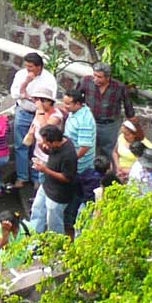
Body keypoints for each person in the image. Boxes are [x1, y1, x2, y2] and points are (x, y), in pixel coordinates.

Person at [8, 54, 56, 188]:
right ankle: (22, 176)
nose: (27, 69)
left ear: (39, 67)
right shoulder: (21, 75)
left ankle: (36, 177)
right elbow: (14, 93)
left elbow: (49, 100)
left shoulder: (49, 79)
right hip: (23, 112)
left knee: (38, 146)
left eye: (30, 66)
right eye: (26, 66)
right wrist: (26, 83)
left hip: (40, 115)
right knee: (21, 145)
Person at [80, 63, 134, 166]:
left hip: (110, 125)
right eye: (94, 75)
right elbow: (76, 97)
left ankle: (107, 176)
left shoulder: (119, 87)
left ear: (108, 77)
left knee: (109, 152)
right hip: (90, 122)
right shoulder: (86, 81)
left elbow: (128, 105)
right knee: (88, 149)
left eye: (99, 77)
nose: (95, 79)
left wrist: (131, 119)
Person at [60, 89, 98, 224]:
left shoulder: (84, 121)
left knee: (75, 193)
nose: (65, 107)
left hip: (80, 165)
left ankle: (70, 220)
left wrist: (72, 160)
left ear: (78, 104)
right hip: (73, 159)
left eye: (68, 104)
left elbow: (85, 146)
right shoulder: (75, 112)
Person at [30, 125, 77, 234]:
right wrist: (44, 149)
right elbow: (52, 153)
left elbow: (67, 177)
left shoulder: (68, 155)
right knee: (37, 212)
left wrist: (45, 170)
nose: (45, 144)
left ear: (54, 141)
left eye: (47, 142)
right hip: (46, 186)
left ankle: (57, 247)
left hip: (58, 195)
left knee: (54, 224)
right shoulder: (56, 146)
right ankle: (33, 240)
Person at [24, 87, 64, 186]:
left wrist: (41, 110)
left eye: (42, 100)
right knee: (38, 175)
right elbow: (34, 124)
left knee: (46, 178)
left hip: (49, 153)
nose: (39, 103)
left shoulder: (56, 116)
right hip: (38, 150)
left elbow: (46, 129)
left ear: (49, 102)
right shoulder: (39, 112)